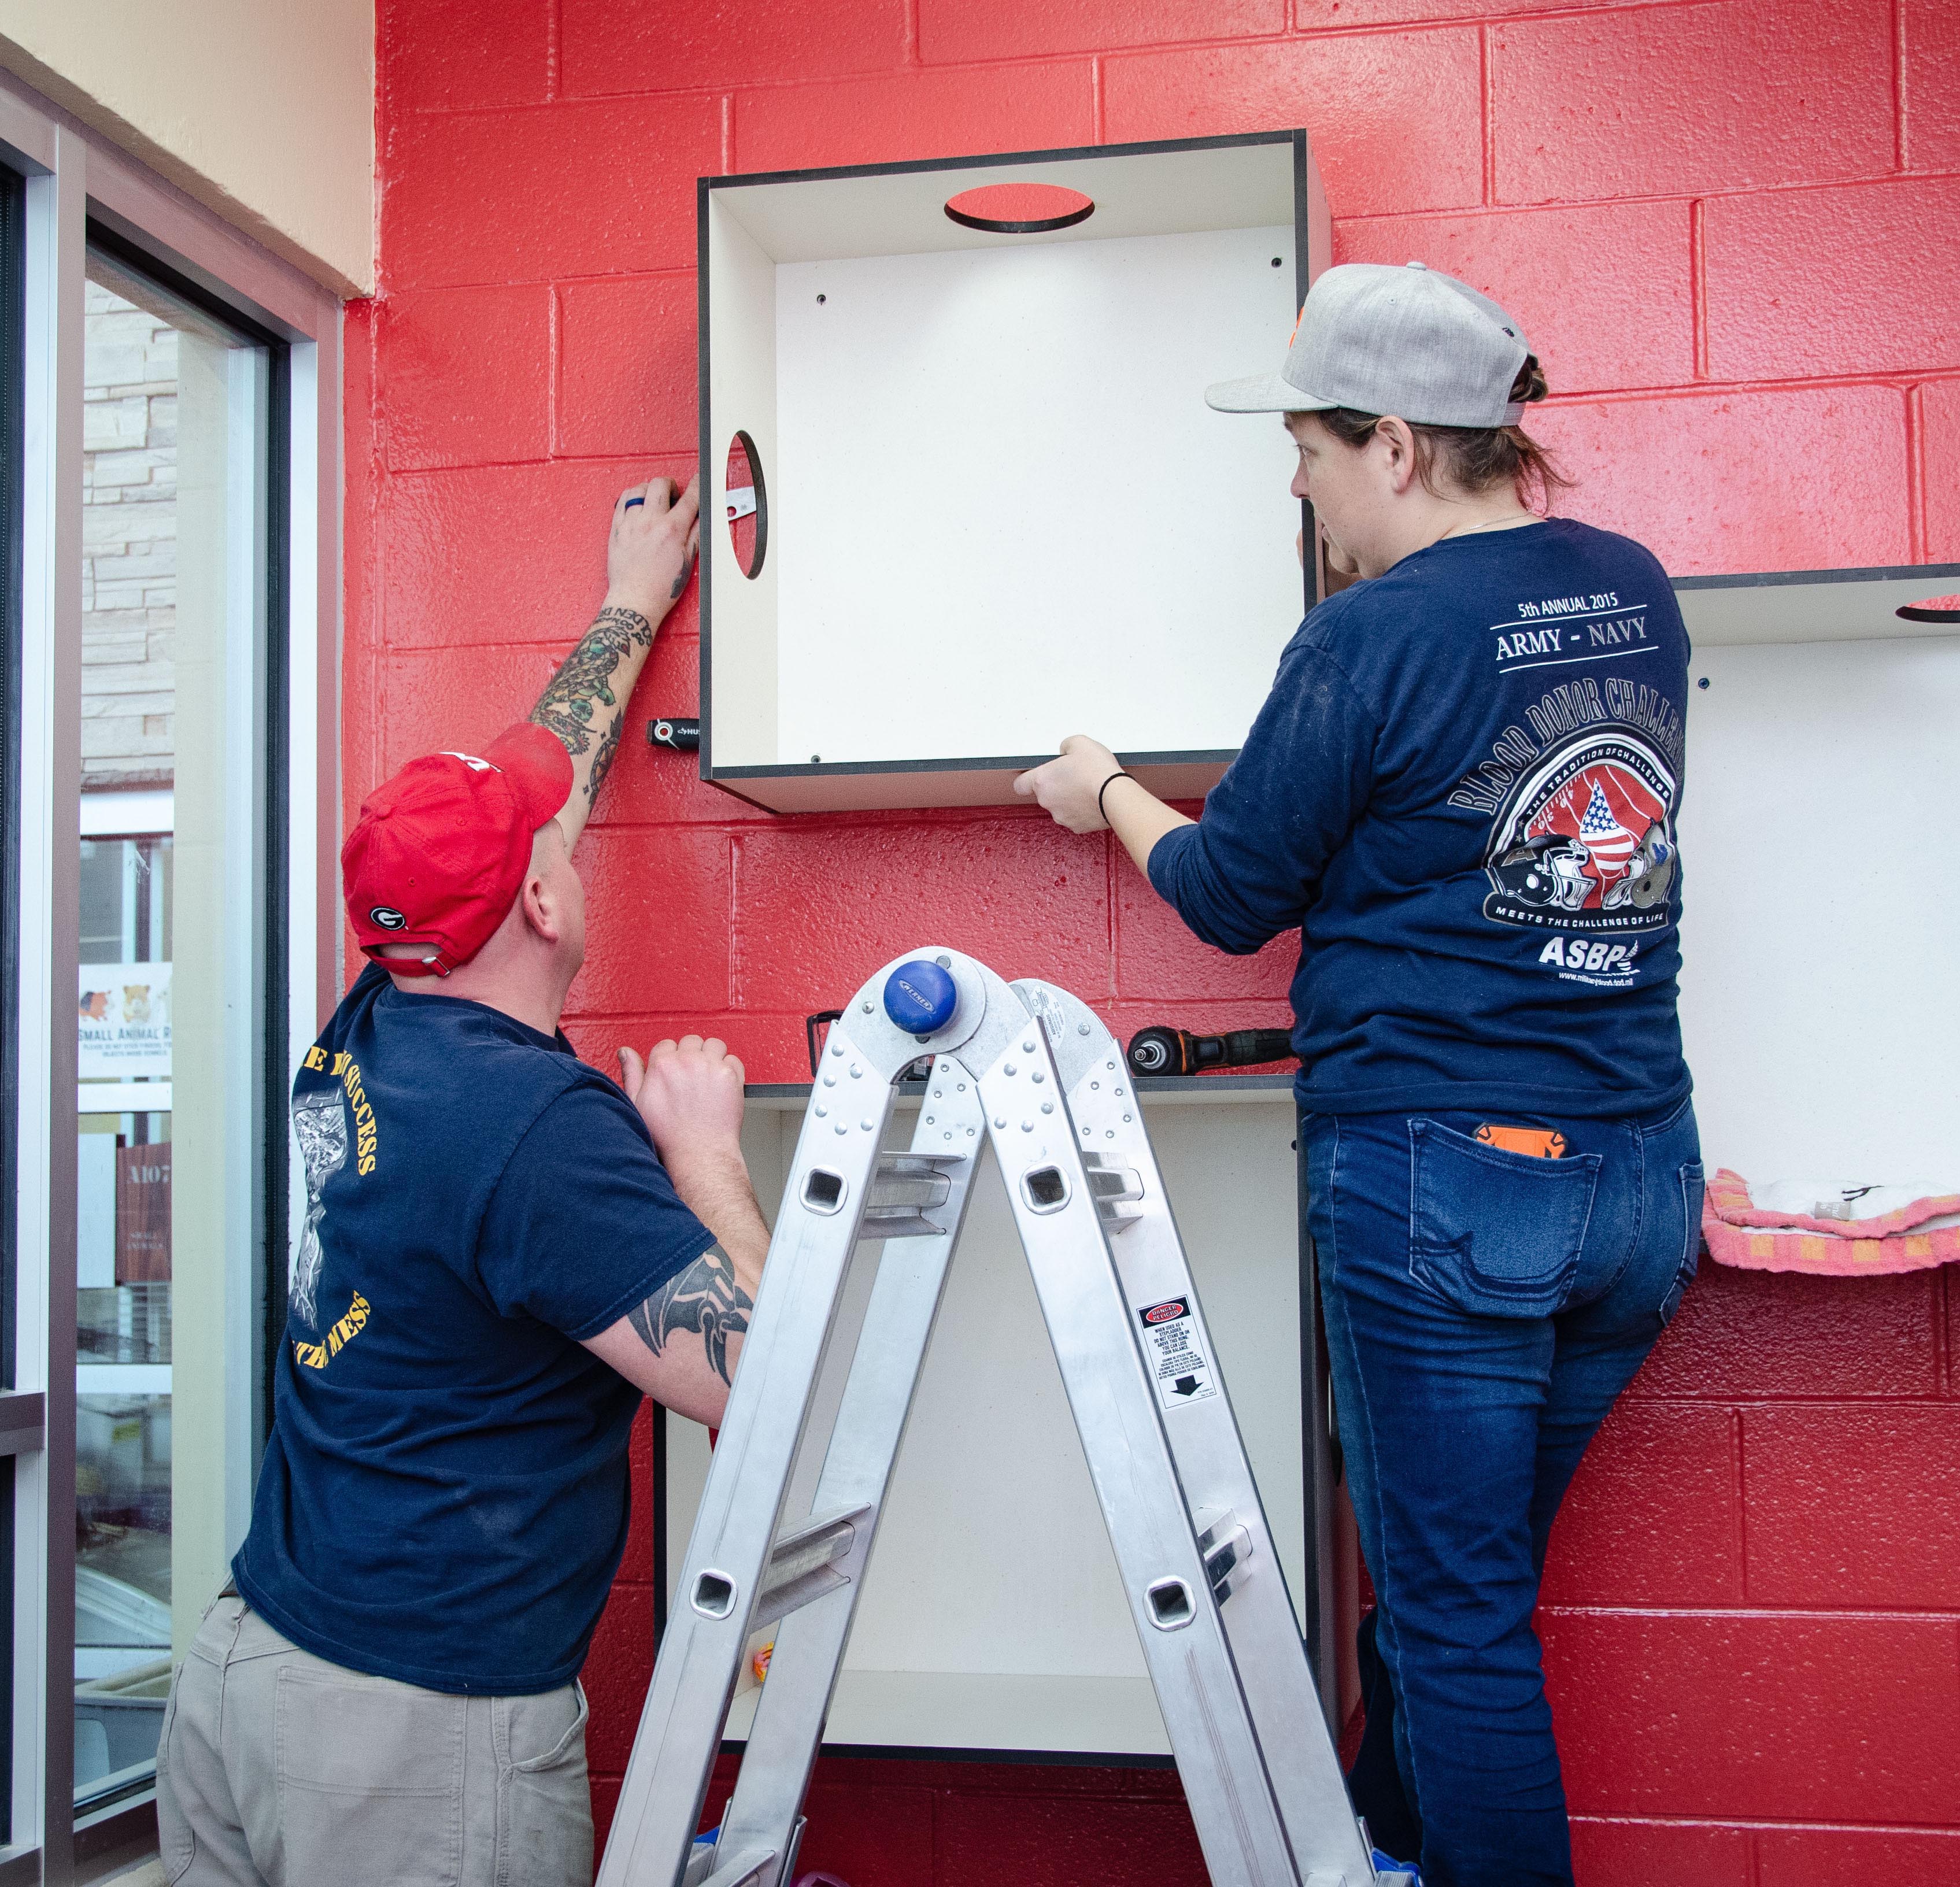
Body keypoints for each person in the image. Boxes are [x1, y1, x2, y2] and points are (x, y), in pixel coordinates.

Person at [1016, 262, 1702, 1887]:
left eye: (1310, 449)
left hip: (1449, 1189)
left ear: (1392, 445)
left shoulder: (1364, 635)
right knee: (1448, 1601)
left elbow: (1227, 892)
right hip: (1634, 1186)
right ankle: (1381, 1851)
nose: (1296, 481)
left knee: (1456, 1631)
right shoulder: (1633, 588)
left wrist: (1099, 782)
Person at [156, 473, 773, 1886]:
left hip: (251, 1675)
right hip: (409, 1747)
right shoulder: (538, 1134)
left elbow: (544, 769)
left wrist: (630, 604)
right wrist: (706, 1159)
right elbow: (761, 1385)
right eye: (549, 847)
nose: (565, 835)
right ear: (545, 906)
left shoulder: (372, 1017)